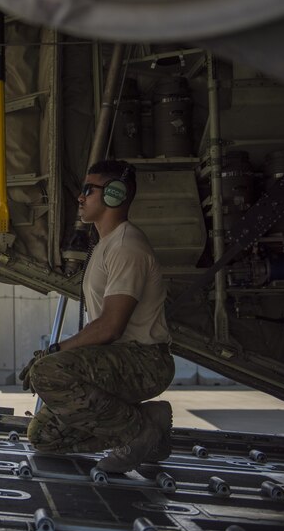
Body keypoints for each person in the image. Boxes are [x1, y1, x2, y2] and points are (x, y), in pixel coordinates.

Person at [20, 160, 174, 473]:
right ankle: (148, 424)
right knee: (44, 437)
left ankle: (135, 435)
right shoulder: (106, 244)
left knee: (48, 372)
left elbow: (111, 326)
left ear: (115, 195)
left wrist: (55, 352)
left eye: (89, 190)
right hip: (120, 360)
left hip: (143, 362)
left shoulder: (126, 246)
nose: (81, 197)